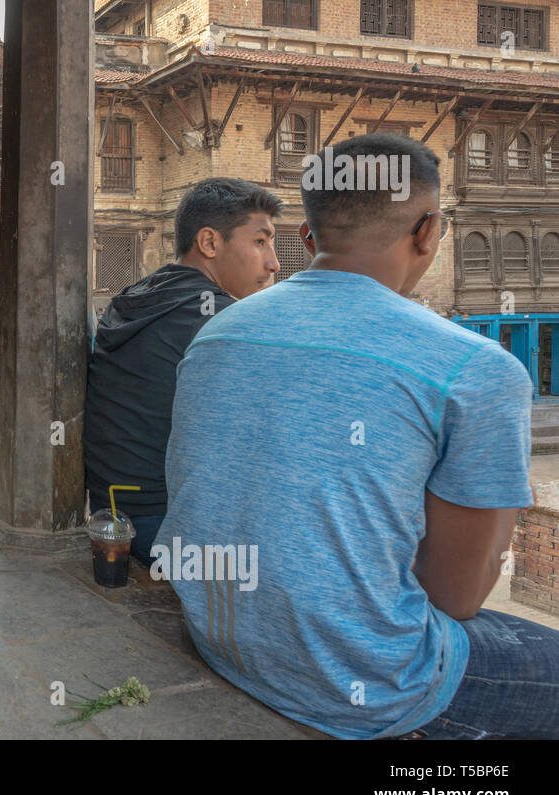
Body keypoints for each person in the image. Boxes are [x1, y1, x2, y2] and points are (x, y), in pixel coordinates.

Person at [159, 133, 559, 739]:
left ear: (308, 239)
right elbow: (457, 599)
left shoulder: (218, 333)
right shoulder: (474, 368)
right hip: (366, 683)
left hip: (222, 636)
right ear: (429, 232)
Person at [83, 178, 283, 563]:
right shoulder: (223, 320)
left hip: (114, 514)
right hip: (168, 527)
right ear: (209, 243)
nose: (273, 262)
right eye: (260, 242)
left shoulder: (139, 296)